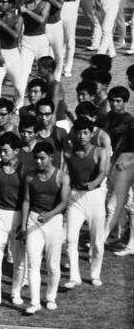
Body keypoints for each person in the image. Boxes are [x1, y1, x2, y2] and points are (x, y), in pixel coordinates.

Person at [19, 141, 70, 314]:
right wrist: (24, 225)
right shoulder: (30, 177)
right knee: (32, 263)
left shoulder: (62, 176)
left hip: (54, 221)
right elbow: (26, 201)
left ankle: (50, 297)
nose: (38, 161)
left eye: (42, 158)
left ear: (51, 157)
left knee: (53, 265)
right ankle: (34, 302)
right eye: (36, 158)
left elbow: (64, 202)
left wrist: (50, 214)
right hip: (34, 220)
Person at [63, 117, 110, 288]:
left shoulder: (100, 152)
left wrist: (94, 183)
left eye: (86, 133)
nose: (82, 136)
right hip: (75, 198)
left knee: (97, 242)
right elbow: (68, 172)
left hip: (95, 198)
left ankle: (95, 274)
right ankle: (74, 276)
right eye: (79, 133)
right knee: (70, 238)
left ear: (91, 134)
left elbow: (103, 172)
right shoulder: (68, 153)